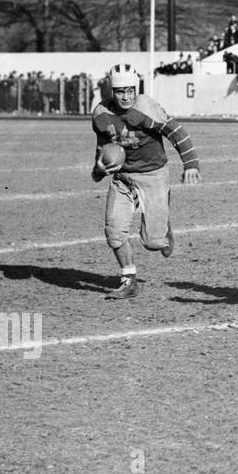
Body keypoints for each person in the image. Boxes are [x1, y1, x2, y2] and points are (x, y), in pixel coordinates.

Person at [91, 62, 201, 299]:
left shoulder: (146, 107)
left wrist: (191, 165)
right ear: (112, 90)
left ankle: (164, 227)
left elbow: (177, 133)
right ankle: (128, 280)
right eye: (121, 91)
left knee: (153, 243)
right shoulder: (101, 114)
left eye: (130, 89)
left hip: (153, 175)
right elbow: (103, 150)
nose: (126, 95)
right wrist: (99, 169)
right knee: (114, 232)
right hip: (122, 178)